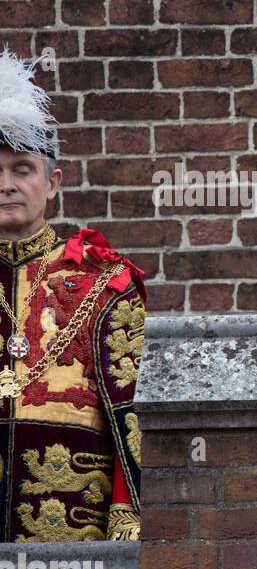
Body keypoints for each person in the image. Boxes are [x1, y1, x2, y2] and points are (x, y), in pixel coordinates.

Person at [0, 48, 147, 541]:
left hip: (71, 535)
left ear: (52, 182)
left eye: (22, 169)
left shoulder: (105, 282)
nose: (7, 185)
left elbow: (129, 415)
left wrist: (126, 526)